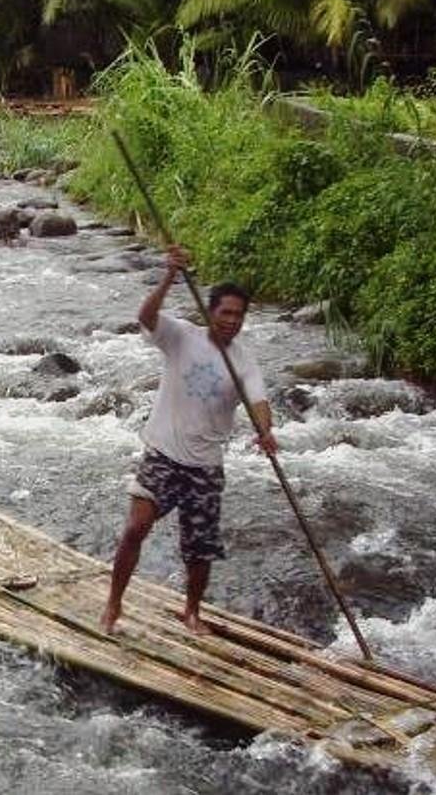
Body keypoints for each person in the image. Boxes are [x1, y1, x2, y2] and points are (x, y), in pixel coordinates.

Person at [101, 245, 277, 637]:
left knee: (200, 549)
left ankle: (192, 611)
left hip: (205, 466)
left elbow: (259, 401)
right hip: (164, 453)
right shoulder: (182, 336)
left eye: (239, 315)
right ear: (210, 311)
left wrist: (265, 431)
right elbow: (145, 317)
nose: (232, 321)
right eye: (226, 312)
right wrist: (168, 278)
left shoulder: (243, 360)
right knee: (136, 528)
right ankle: (113, 603)